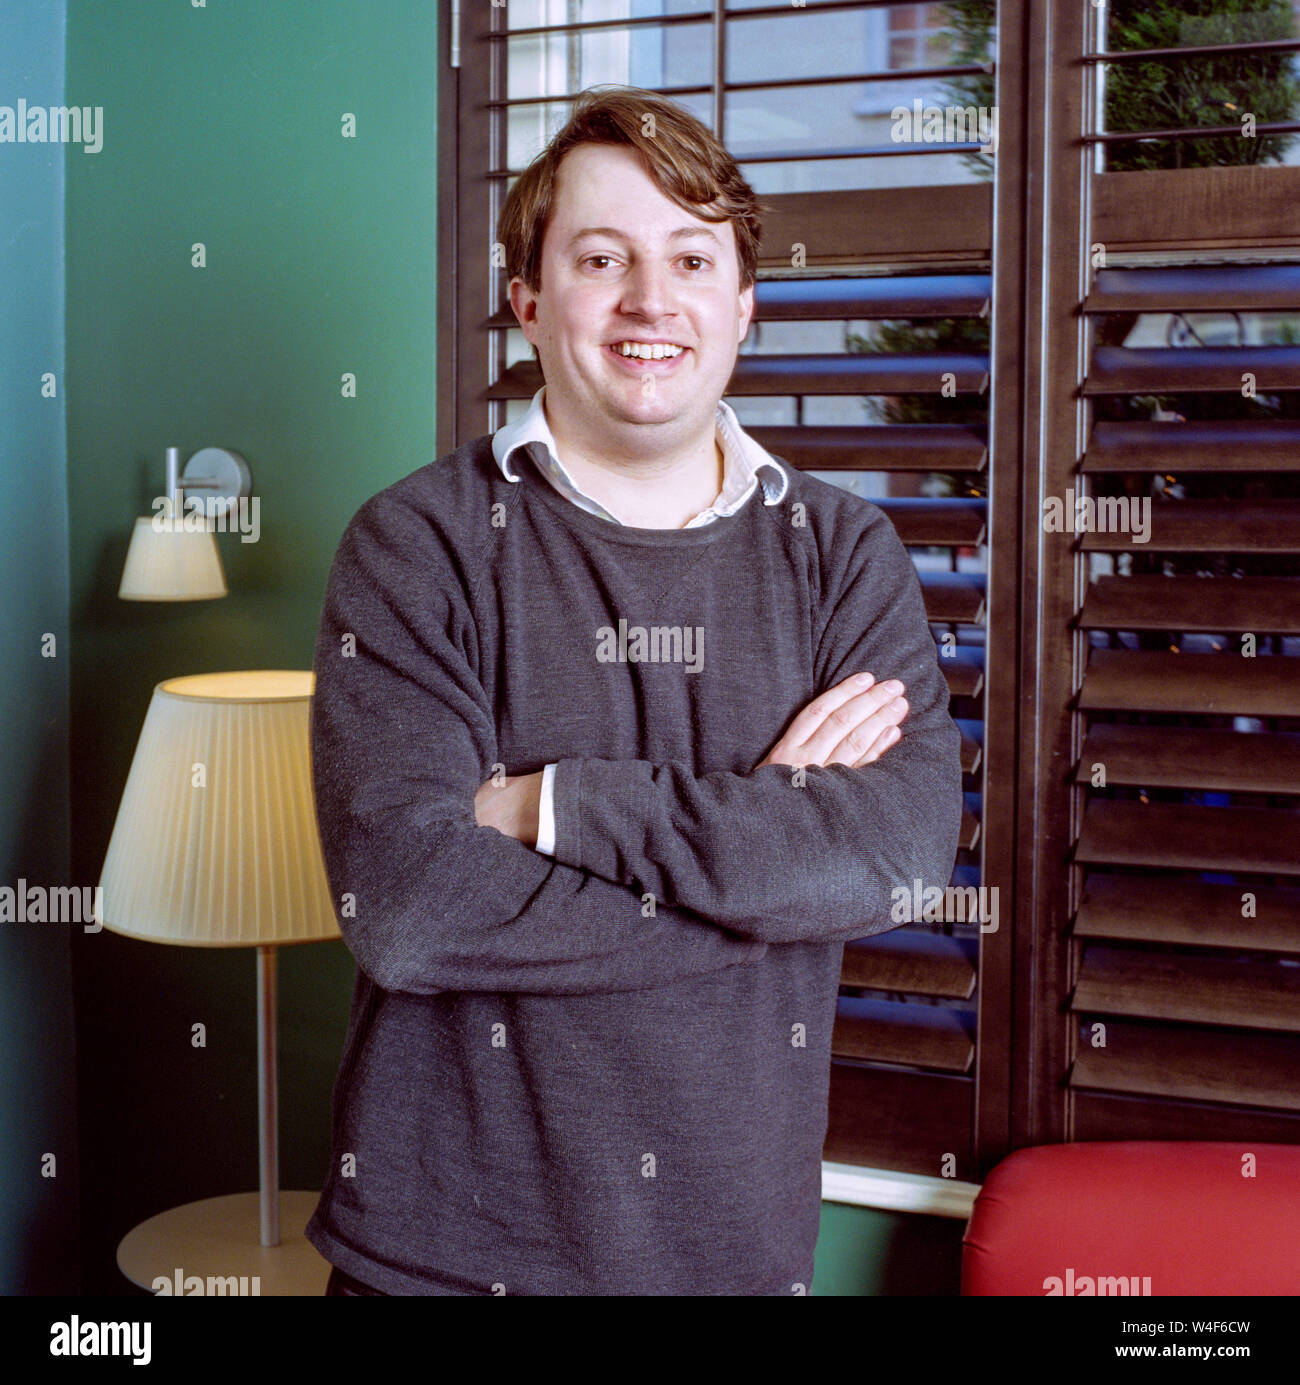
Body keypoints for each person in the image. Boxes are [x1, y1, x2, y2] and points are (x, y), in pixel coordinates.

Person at [306, 85, 963, 1296]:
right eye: (601, 257)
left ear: (742, 307)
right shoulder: (415, 546)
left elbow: (899, 857)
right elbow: (407, 908)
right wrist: (764, 845)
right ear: (529, 300)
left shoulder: (843, 554)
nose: (651, 301)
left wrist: (555, 807)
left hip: (732, 1256)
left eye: (691, 260)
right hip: (440, 1260)